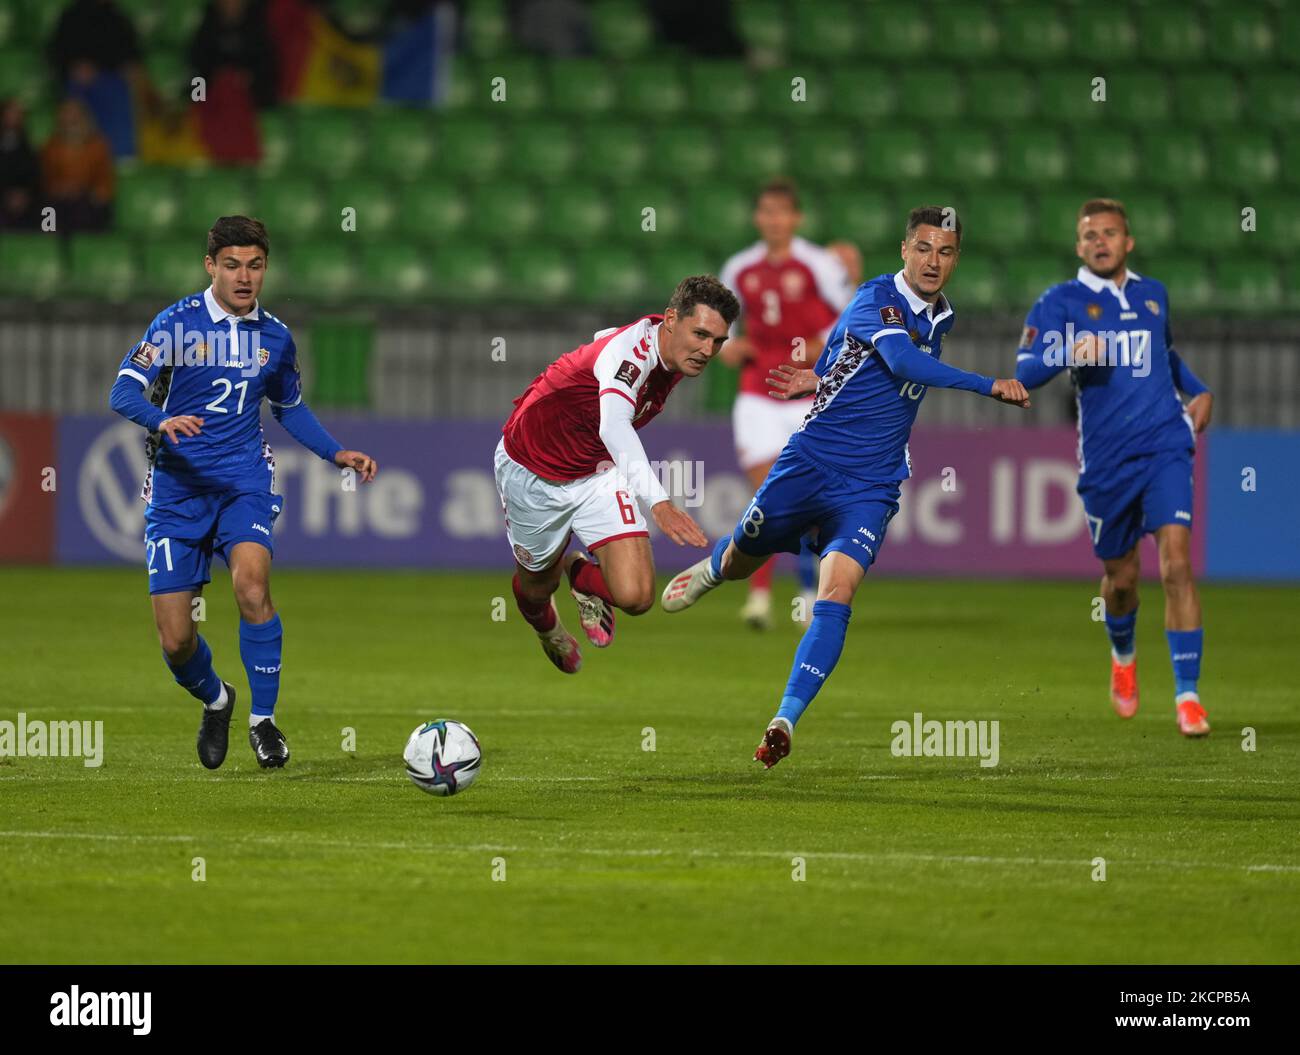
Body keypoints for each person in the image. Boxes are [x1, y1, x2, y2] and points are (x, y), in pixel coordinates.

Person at [662, 207, 1030, 768]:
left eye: (946, 252)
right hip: (811, 463)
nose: (934, 261)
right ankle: (715, 571)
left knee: (837, 594)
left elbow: (853, 349)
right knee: (741, 556)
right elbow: (902, 360)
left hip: (874, 482)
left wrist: (824, 373)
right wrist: (988, 385)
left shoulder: (941, 315)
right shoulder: (877, 296)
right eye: (924, 248)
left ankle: (784, 718)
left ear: (956, 259)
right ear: (904, 249)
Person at [108, 216, 379, 769]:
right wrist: (161, 421)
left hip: (244, 481)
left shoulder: (275, 337)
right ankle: (217, 699)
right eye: (232, 265)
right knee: (176, 640)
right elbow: (122, 390)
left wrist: (336, 453)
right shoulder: (176, 325)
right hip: (177, 491)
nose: (244, 276)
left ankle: (264, 721)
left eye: (255, 265)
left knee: (252, 588)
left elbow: (289, 407)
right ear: (210, 266)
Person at [1014, 198, 1212, 737]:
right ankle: (1123, 654)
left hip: (1166, 445)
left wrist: (1196, 390)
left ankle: (1188, 697)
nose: (1100, 242)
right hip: (1106, 461)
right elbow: (1025, 370)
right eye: (1089, 235)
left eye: (1109, 233)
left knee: (1176, 564)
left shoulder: (1154, 295)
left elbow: (1165, 354)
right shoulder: (1061, 301)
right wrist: (1070, 352)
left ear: (1129, 241)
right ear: (1078, 246)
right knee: (1121, 579)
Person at [496, 275, 739, 673]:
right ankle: (549, 632)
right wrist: (659, 503)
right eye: (700, 334)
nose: (707, 350)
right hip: (532, 471)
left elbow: (604, 340)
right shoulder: (632, 356)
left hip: (596, 473)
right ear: (672, 319)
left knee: (637, 597)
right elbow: (614, 426)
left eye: (717, 341)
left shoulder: (671, 350)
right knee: (537, 590)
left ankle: (577, 572)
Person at [718, 179, 854, 629]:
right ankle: (765, 599)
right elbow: (719, 325)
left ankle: (804, 592)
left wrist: (824, 341)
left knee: (804, 500)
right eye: (766, 212)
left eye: (782, 212)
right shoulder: (739, 268)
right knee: (768, 496)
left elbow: (852, 315)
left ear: (796, 218)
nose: (773, 220)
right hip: (757, 392)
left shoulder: (818, 263)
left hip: (807, 393)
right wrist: (726, 346)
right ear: (758, 218)